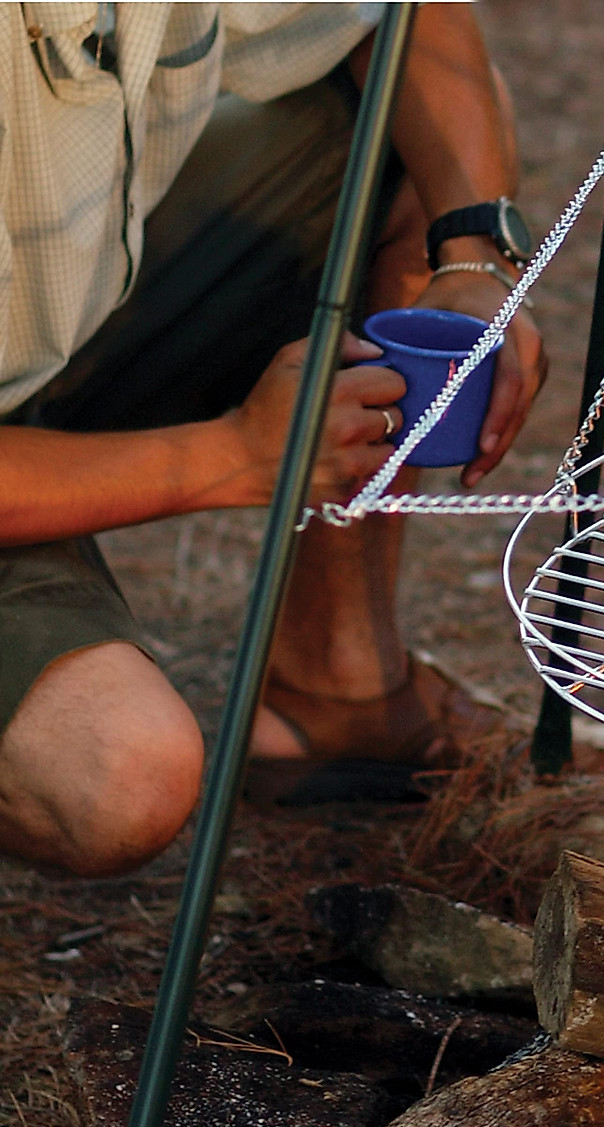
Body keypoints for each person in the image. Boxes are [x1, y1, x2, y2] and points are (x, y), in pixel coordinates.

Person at [0, 3, 547, 877]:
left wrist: (475, 252)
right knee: (116, 776)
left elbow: (408, 12)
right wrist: (232, 457)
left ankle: (338, 690)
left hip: (52, 320)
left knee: (405, 132)